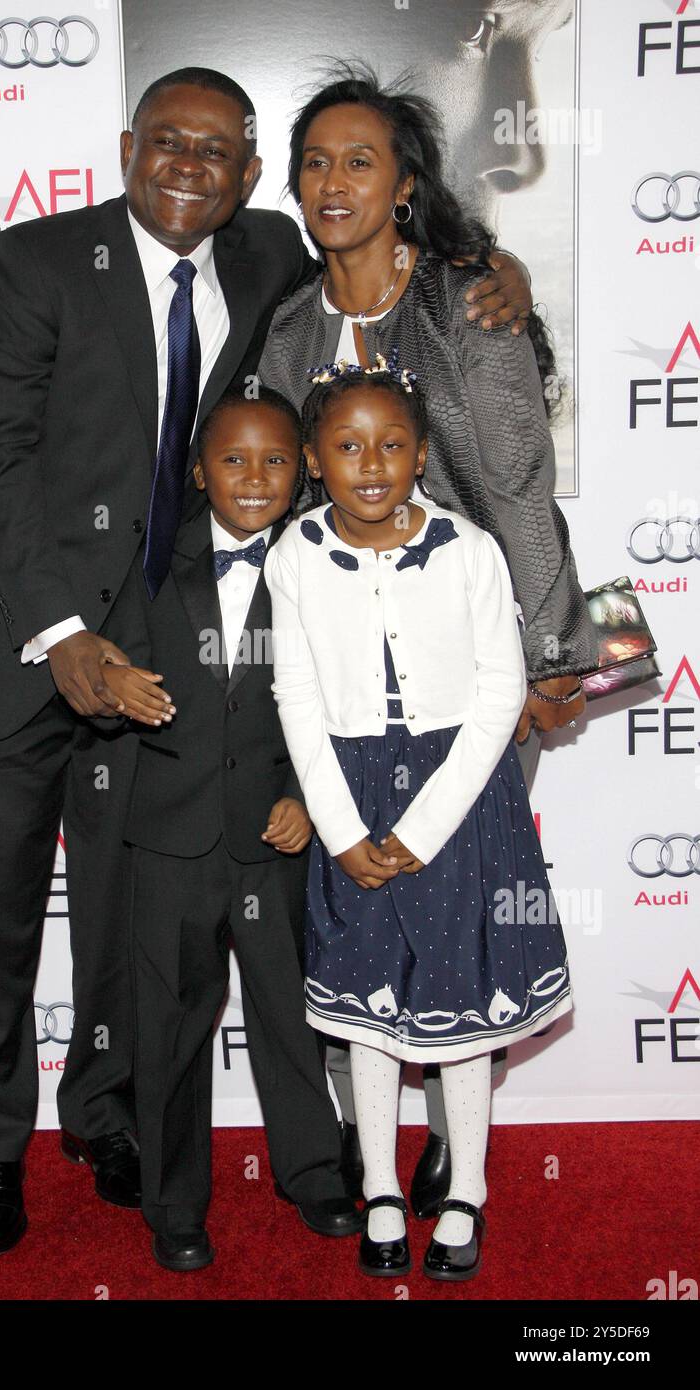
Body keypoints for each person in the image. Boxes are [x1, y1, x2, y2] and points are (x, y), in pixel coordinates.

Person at [0, 61, 533, 1254]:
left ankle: (108, 1119)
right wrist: (64, 637)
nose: (188, 167)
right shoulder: (35, 263)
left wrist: (490, 271)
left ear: (249, 175)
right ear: (125, 147)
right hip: (29, 644)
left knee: (126, 915)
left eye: (219, 152)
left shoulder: (265, 252)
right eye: (168, 141)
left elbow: (381, 237)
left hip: (182, 664)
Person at [256, 64, 597, 1214]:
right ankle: (376, 1160)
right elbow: (277, 519)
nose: (333, 181)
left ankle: (460, 1147)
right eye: (315, 162)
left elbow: (516, 481)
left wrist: (553, 659)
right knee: (366, 906)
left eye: (360, 160)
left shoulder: (466, 299)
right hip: (347, 680)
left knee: (459, 895)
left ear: (403, 184)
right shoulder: (291, 327)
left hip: (478, 664)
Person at [264, 358, 573, 1279]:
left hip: (461, 803)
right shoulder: (295, 558)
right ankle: (383, 1187)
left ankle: (466, 1188)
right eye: (348, 446)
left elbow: (497, 695)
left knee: (461, 1007)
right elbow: (297, 698)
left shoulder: (469, 550)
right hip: (351, 797)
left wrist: (423, 828)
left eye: (392, 445)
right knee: (368, 1012)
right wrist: (344, 828)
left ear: (423, 455)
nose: (371, 463)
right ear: (315, 460)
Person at [104, 388, 360, 1271]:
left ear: (304, 473)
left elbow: (338, 705)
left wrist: (305, 795)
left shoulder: (322, 568)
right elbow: (99, 677)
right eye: (233, 461)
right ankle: (174, 1202)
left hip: (273, 837)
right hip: (168, 841)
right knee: (168, 1027)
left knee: (291, 1015)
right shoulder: (148, 566)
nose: (254, 478)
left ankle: (315, 1172)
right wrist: (112, 690)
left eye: (275, 461)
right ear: (198, 470)